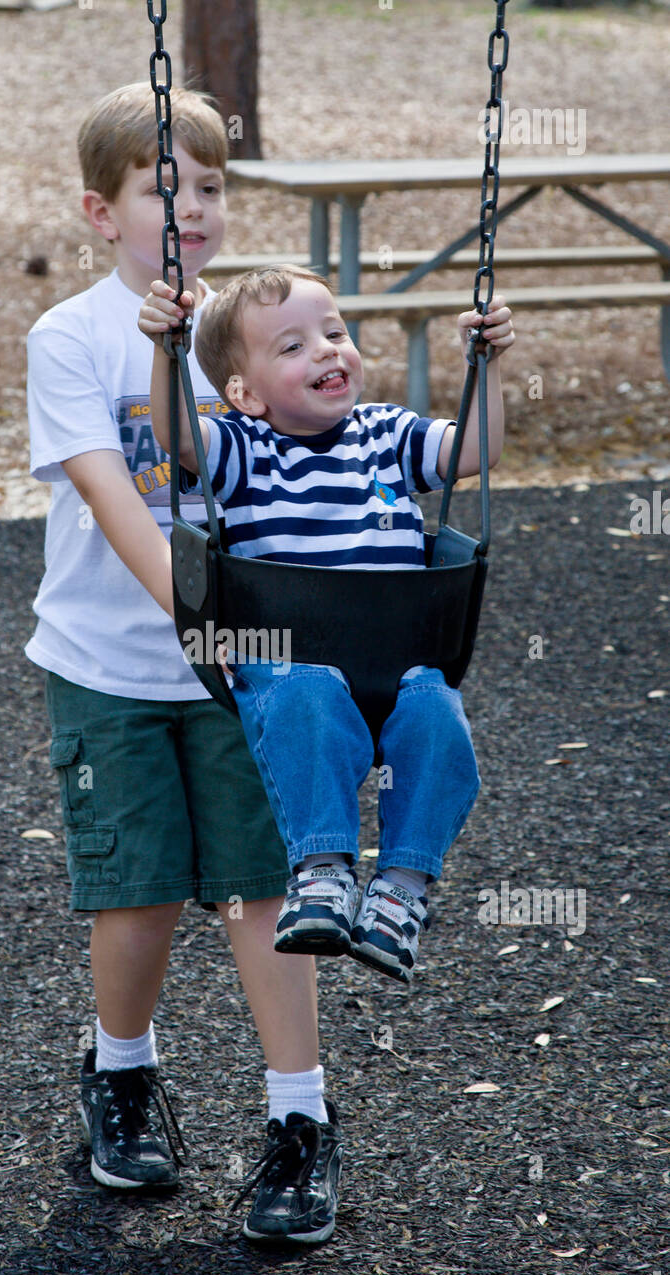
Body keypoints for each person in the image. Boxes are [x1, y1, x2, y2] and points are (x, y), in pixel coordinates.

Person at [25, 86, 343, 1246]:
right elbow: (114, 497)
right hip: (108, 663)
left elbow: (323, 455)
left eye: (210, 185)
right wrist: (200, 613)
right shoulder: (68, 338)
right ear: (100, 215)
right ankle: (120, 1071)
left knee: (270, 891)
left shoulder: (246, 330)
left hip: (247, 665)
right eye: (166, 186)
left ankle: (299, 1120)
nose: (194, 205)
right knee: (138, 891)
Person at [140, 263, 514, 985]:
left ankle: (403, 890)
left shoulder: (389, 435)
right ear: (244, 394)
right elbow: (178, 437)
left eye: (335, 333)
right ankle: (324, 871)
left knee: (440, 720)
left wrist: (487, 366)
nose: (326, 351)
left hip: (400, 658)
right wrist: (168, 353)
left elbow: (475, 451)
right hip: (289, 659)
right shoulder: (243, 451)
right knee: (304, 697)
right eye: (292, 347)